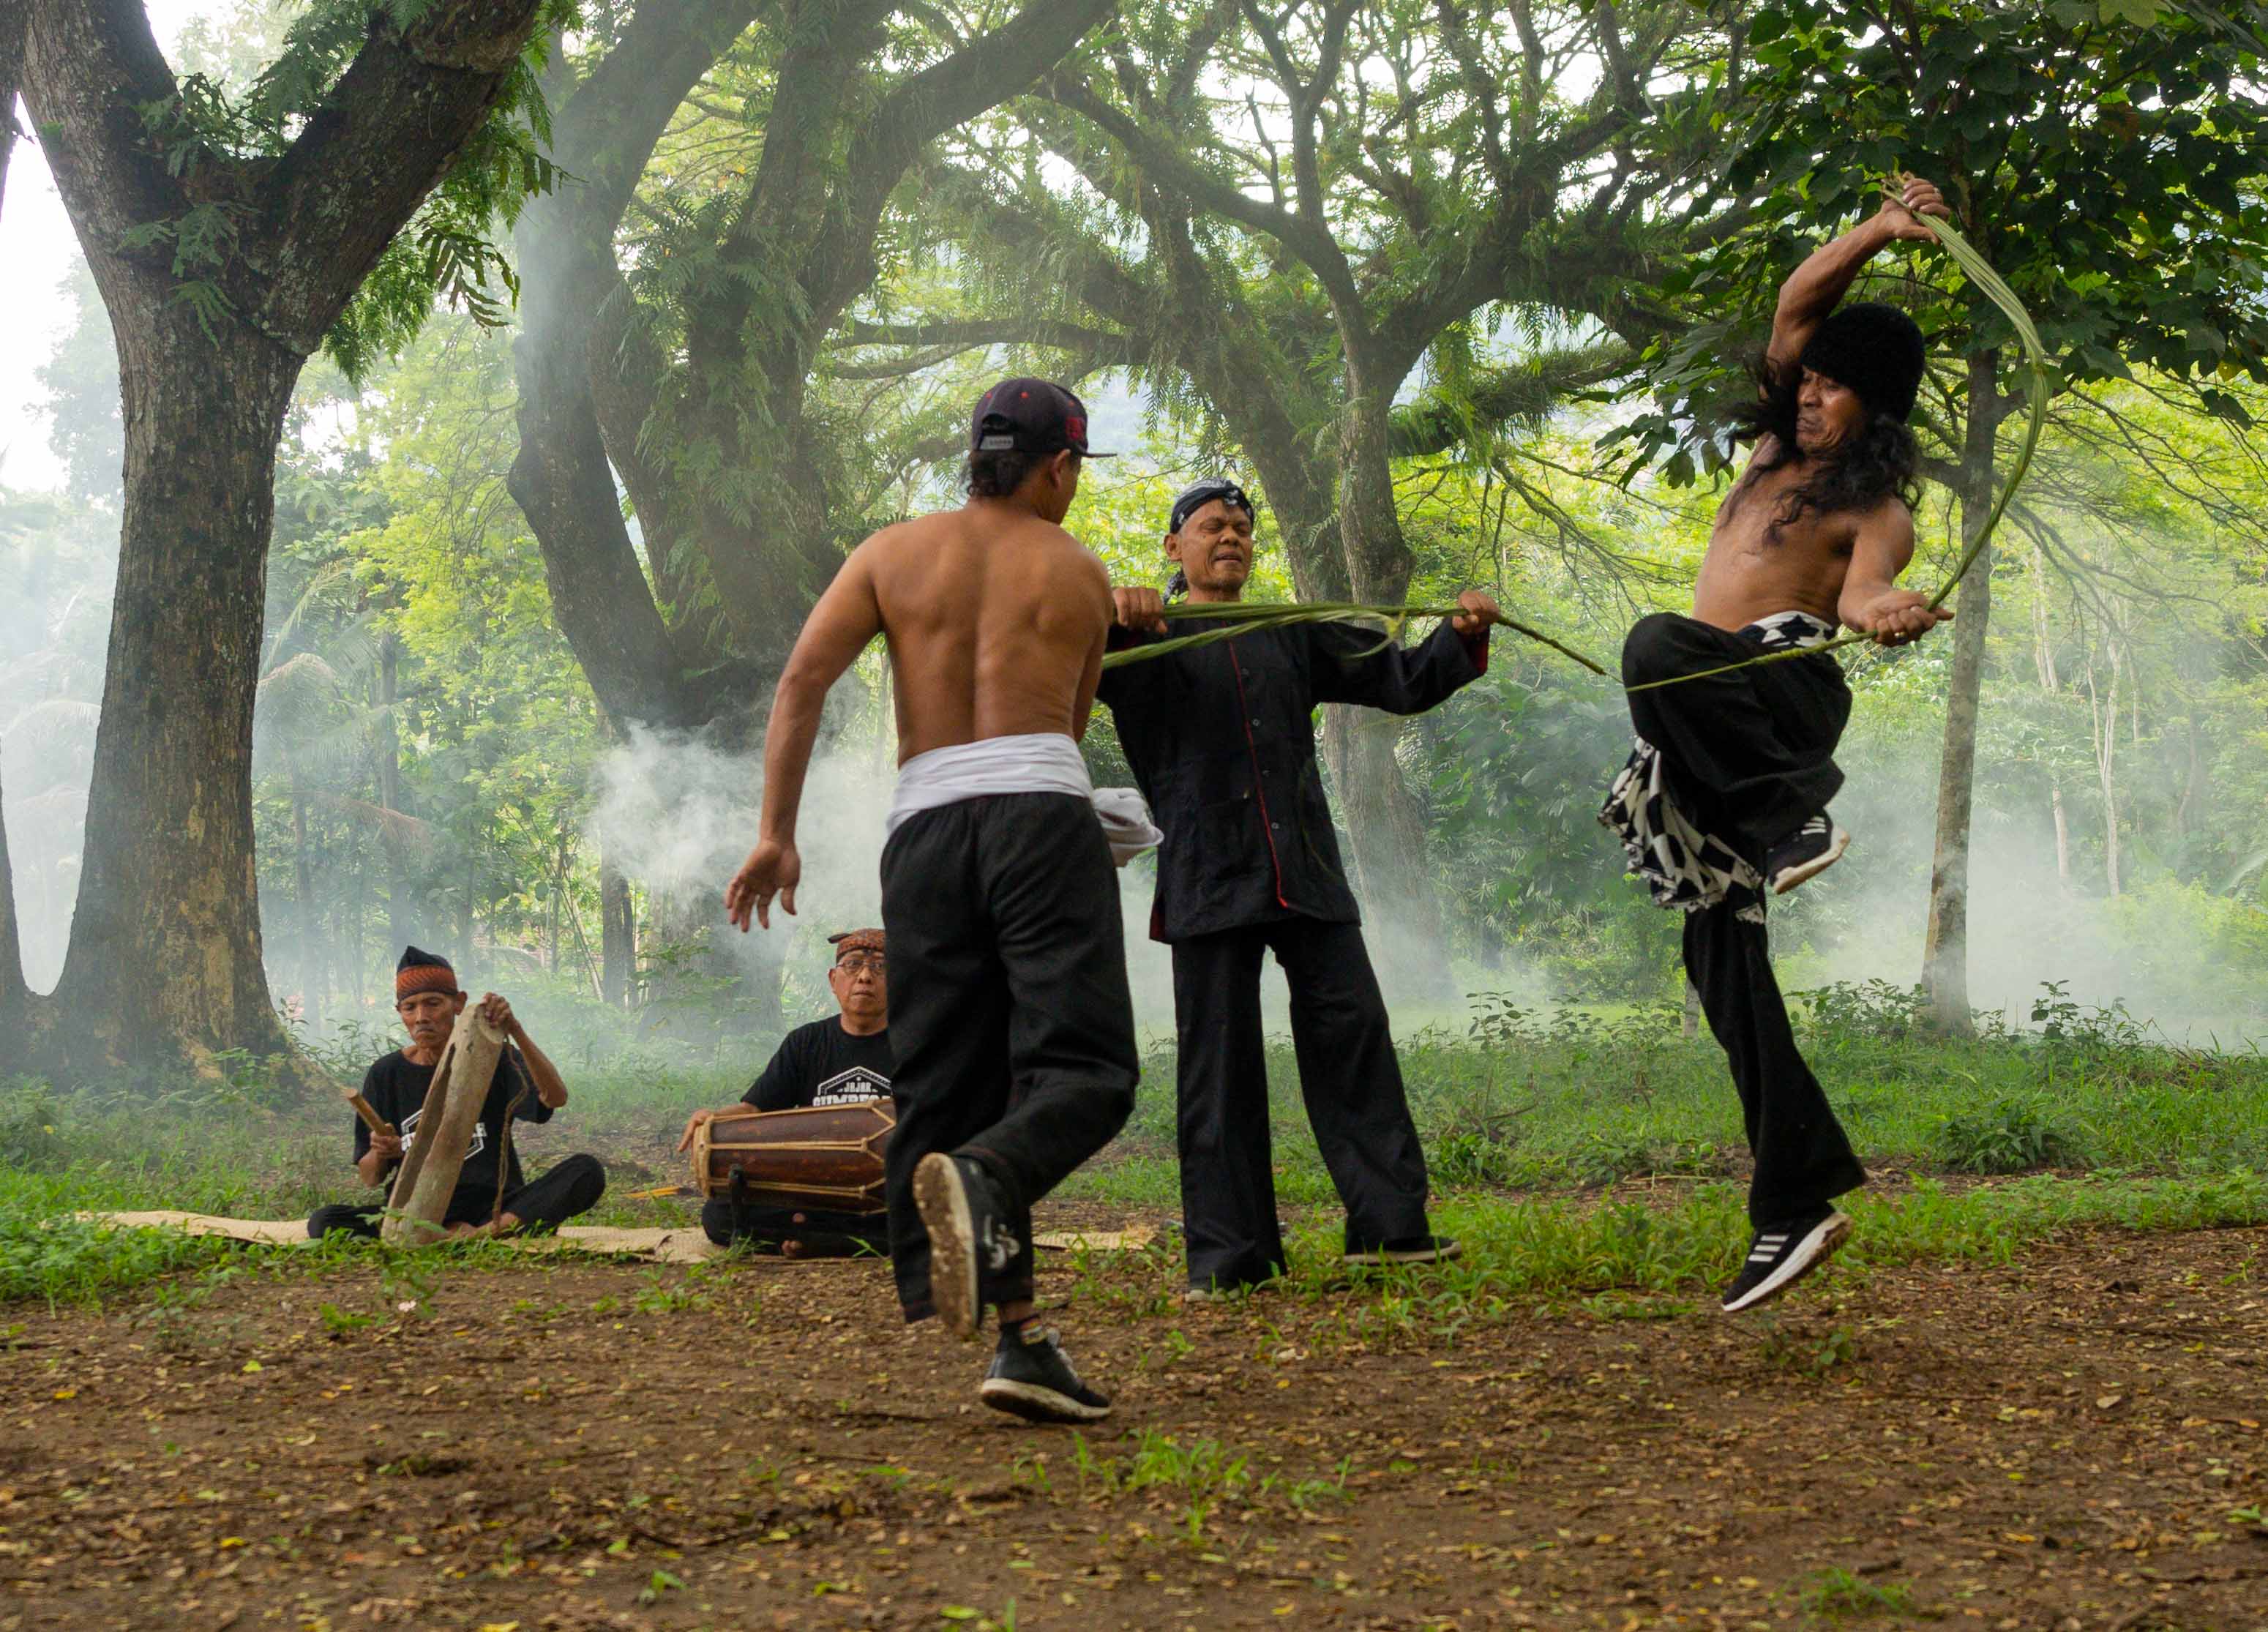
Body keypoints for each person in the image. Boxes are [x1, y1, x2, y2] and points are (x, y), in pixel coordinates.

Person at [723, 378, 1139, 1424]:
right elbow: (1065, 729)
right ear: (1058, 467)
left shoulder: (887, 554)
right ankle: (989, 1179)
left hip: (923, 834)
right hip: (1038, 819)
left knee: (950, 1091)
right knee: (1082, 1074)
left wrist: (776, 831)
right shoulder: (1078, 573)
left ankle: (1021, 1340)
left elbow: (800, 683)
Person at [1601, 173, 1954, 1314]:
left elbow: (1862, 599)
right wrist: (1882, 229)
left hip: (1778, 699)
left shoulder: (1872, 505)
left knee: (1652, 643)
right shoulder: (1766, 447)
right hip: (1713, 727)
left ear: (1876, 408)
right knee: (1719, 956)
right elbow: (1801, 301)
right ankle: (1791, 1198)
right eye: (1808, 377)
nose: (1809, 393)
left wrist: (1888, 612)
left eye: (1835, 387)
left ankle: (1792, 813)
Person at [1101, 478, 1500, 1298]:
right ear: (1173, 549)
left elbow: (1397, 677)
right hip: (1209, 875)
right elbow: (1079, 670)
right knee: (1219, 1067)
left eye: (1243, 527)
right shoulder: (1147, 637)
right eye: (1211, 526)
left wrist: (1460, 637)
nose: (1231, 538)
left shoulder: (1286, 633)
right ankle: (1231, 1256)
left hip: (1306, 870)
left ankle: (1391, 1232)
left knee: (1353, 1033)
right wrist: (1115, 617)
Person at [308, 948, 606, 1240]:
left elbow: (555, 1098)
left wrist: (514, 1030)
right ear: (400, 1013)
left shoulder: (491, 1057)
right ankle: (486, 1233)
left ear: (459, 1003)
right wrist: (381, 1152)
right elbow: (370, 1178)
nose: (422, 1016)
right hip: (414, 1209)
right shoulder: (386, 1073)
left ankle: (478, 1234)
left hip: (491, 1206)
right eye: (410, 1007)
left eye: (433, 1003)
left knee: (585, 1171)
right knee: (324, 1221)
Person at [678, 929, 894, 1258]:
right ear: (834, 980)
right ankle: (842, 1241)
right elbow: (755, 1109)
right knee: (719, 1216)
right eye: (853, 966)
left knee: (933, 1210)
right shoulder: (805, 1042)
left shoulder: (915, 1044)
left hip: (888, 1195)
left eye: (880, 968)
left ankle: (816, 1240)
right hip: (817, 1193)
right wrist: (715, 1119)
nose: (865, 977)